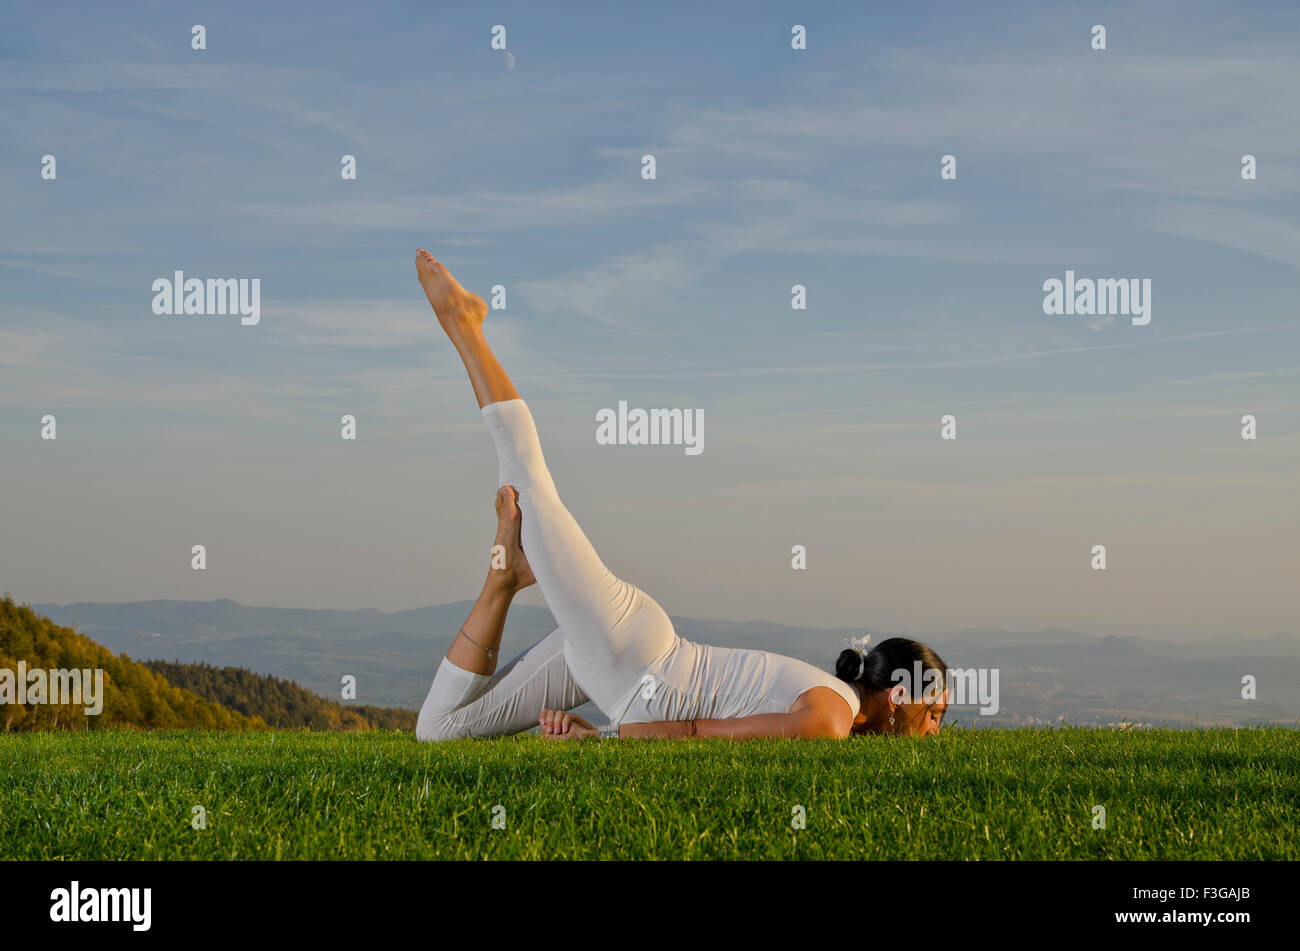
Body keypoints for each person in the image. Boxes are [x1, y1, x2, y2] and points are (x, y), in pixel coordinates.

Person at [411, 249, 949, 742]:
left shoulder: (834, 713)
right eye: (936, 714)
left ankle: (503, 581)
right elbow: (696, 733)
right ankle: (466, 323)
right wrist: (599, 740)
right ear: (900, 698)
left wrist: (602, 733)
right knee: (528, 485)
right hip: (631, 656)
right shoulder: (828, 720)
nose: (937, 732)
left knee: (439, 730)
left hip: (618, 662)